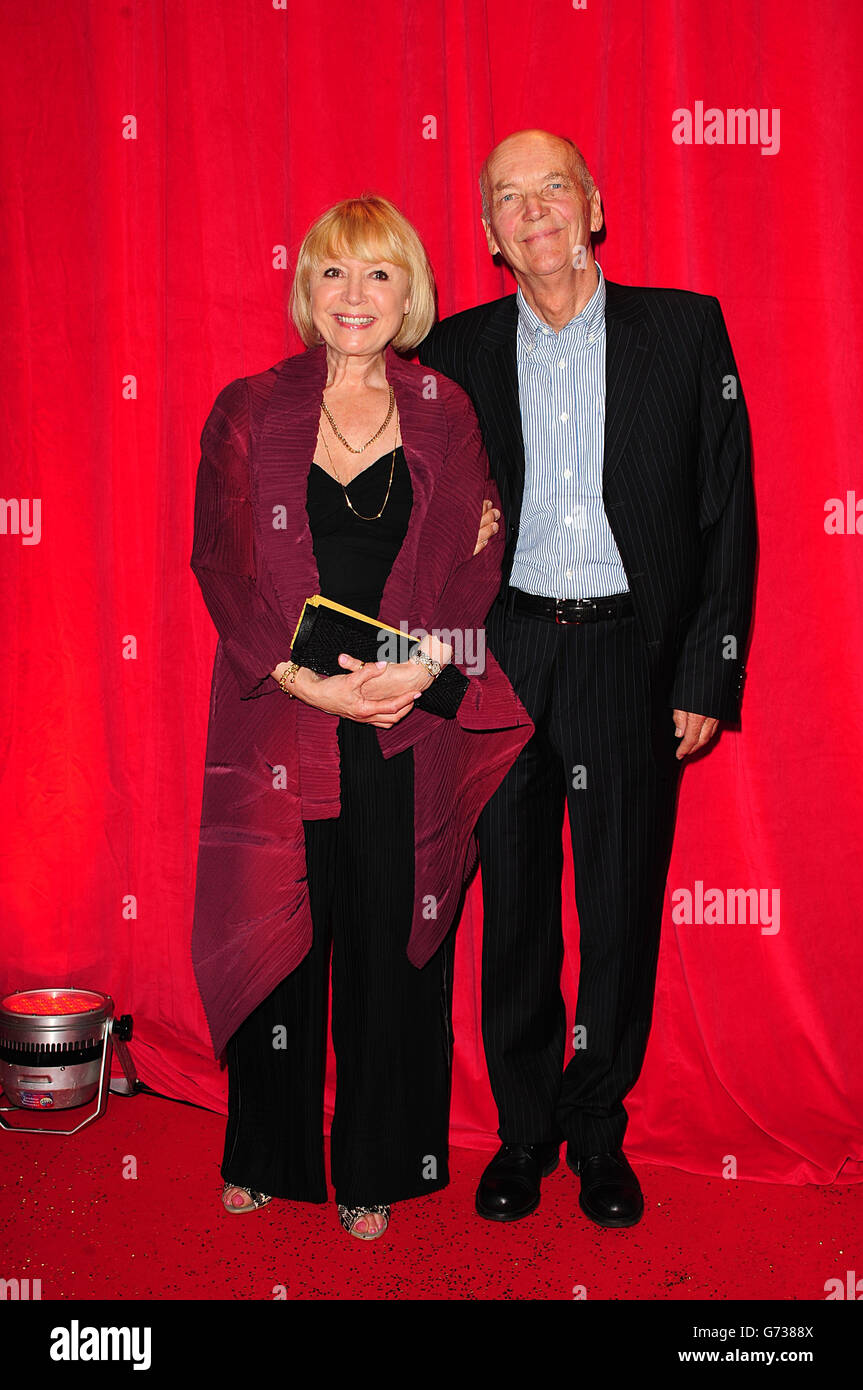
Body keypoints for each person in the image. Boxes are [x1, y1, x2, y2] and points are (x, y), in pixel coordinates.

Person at [418, 129, 757, 1227]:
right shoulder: (458, 351)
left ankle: (598, 1134)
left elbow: (725, 511)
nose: (533, 211)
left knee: (616, 905)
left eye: (550, 188)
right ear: (488, 236)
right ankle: (522, 1137)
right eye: (507, 200)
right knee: (512, 905)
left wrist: (707, 666)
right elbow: (422, 509)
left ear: (592, 203)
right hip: (506, 653)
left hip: (627, 652)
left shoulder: (683, 327)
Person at [189, 194, 532, 1239]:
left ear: (409, 294)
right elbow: (221, 562)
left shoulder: (442, 407)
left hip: (402, 710)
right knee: (280, 932)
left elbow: (479, 554)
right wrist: (308, 683)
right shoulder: (247, 406)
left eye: (378, 274)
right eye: (333, 273)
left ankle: (379, 1157)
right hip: (279, 709)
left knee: (390, 941)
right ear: (307, 290)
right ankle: (263, 1149)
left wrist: (418, 661)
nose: (354, 295)